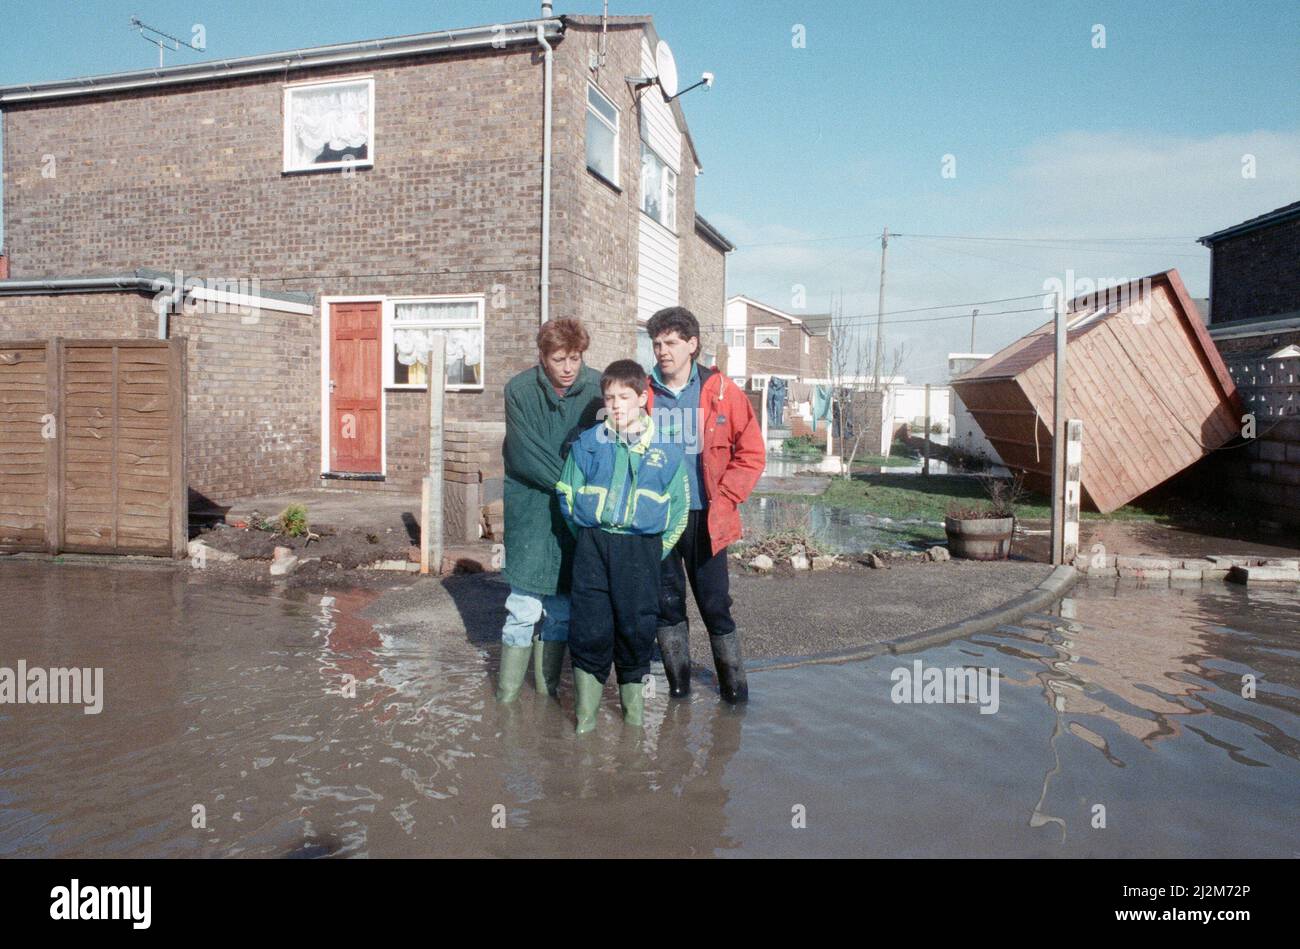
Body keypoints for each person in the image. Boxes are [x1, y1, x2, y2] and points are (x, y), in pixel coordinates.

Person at [555, 359, 690, 733]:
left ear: (643, 398)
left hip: (641, 554)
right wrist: (588, 539)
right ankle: (585, 724)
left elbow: (679, 513)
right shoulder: (587, 444)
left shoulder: (667, 451)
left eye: (624, 397)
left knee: (635, 632)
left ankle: (633, 724)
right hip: (593, 549)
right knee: (589, 631)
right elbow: (566, 494)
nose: (615, 405)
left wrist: (652, 554)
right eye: (609, 397)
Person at [645, 307, 765, 703]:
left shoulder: (722, 392)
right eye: (657, 343)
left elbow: (751, 453)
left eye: (671, 343)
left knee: (715, 605)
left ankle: (735, 692)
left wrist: (727, 499)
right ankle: (678, 690)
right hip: (659, 518)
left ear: (692, 345)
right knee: (666, 605)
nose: (662, 351)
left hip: (707, 517)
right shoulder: (643, 394)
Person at [496, 318, 602, 703]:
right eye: (559, 359)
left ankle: (546, 693)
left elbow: (604, 447)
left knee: (561, 608)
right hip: (531, 509)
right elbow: (524, 454)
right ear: (542, 357)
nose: (569, 367)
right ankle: (507, 699)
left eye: (575, 358)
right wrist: (574, 481)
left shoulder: (597, 389)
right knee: (523, 607)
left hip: (574, 515)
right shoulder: (519, 390)